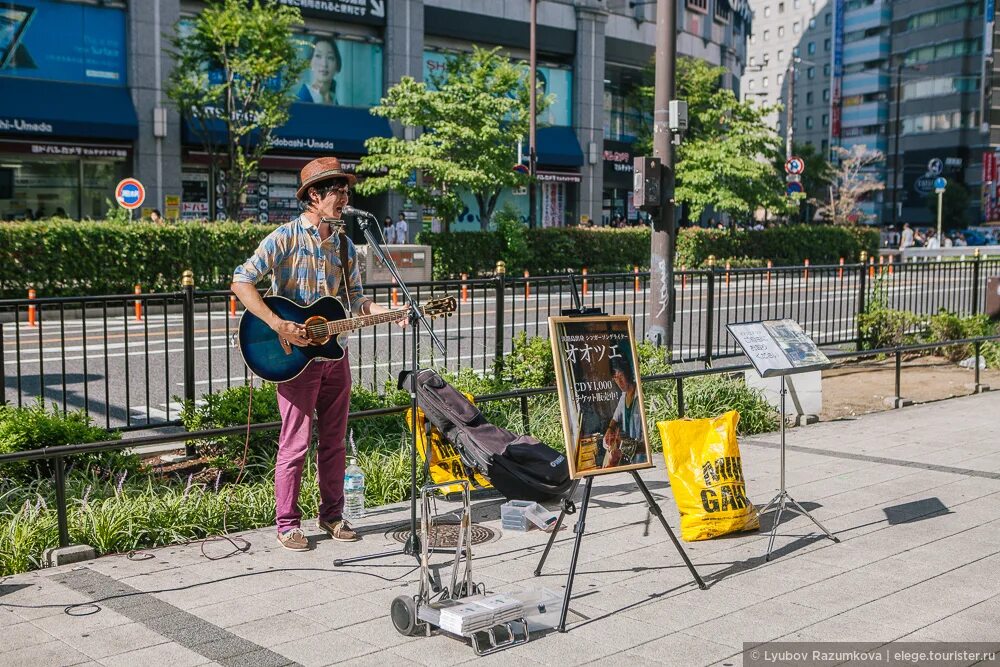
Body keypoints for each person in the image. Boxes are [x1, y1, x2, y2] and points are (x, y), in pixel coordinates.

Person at [230, 156, 406, 552]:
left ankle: (332, 515)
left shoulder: (345, 245)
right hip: (293, 357)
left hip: (334, 354)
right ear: (314, 195)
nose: (345, 196)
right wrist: (278, 324)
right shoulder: (285, 237)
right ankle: (287, 523)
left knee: (335, 441)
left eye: (346, 190)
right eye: (337, 190)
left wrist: (389, 313)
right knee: (295, 443)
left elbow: (357, 300)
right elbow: (241, 280)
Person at [601, 361, 646, 468]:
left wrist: (623, 447)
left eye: (621, 376)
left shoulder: (640, 395)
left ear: (628, 374)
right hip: (629, 456)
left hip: (642, 458)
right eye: (616, 378)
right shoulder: (623, 396)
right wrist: (610, 429)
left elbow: (646, 444)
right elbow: (615, 419)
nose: (619, 382)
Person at [297, 38, 341, 105]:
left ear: (337, 65)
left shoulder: (334, 101)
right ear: (310, 63)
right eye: (318, 56)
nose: (324, 64)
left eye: (330, 57)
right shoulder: (301, 100)